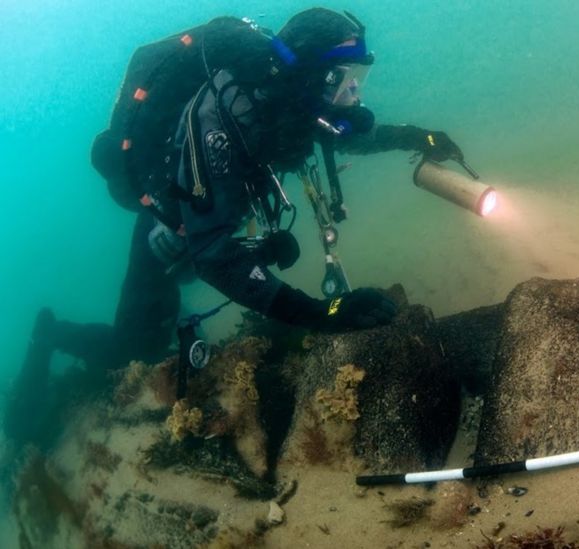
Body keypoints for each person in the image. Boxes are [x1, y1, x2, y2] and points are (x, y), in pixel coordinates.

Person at [4, 8, 465, 445]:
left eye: (356, 80)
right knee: (135, 347)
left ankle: (169, 305)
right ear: (316, 77)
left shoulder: (291, 101)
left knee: (186, 284)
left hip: (211, 218)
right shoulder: (220, 122)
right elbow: (213, 256)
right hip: (173, 222)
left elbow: (350, 136)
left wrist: (422, 137)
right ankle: (49, 333)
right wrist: (318, 313)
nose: (355, 94)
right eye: (345, 80)